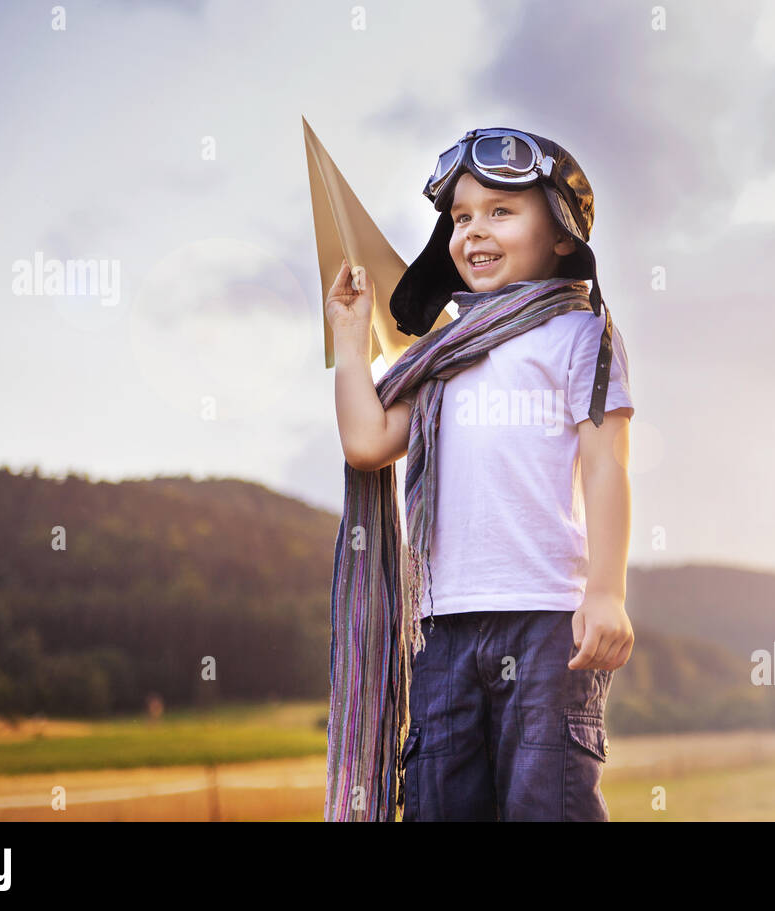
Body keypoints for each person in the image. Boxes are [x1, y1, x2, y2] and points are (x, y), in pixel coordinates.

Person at [324, 127, 635, 821]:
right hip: (442, 628)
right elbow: (368, 441)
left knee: (546, 805)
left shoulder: (582, 334)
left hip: (548, 620)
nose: (473, 231)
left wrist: (607, 591)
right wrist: (351, 339)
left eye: (500, 211)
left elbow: (606, 462)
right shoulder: (442, 354)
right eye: (461, 217)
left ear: (560, 232)